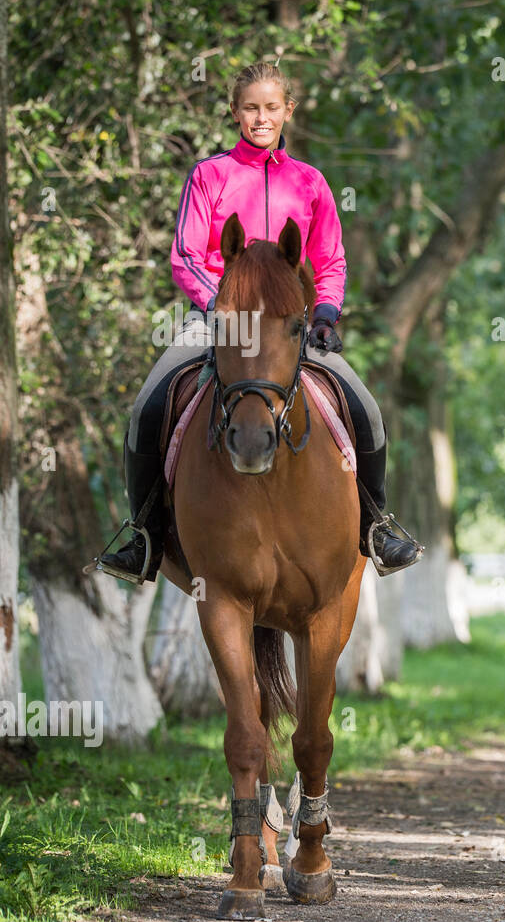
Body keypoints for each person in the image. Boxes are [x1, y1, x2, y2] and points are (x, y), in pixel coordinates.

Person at [97, 62, 422, 583]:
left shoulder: (310, 183)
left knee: (367, 410)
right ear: (235, 112)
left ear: (287, 111)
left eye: (272, 107)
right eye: (251, 107)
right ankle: (144, 536)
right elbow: (185, 255)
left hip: (290, 325)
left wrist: (325, 313)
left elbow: (330, 260)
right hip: (218, 318)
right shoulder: (209, 175)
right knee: (147, 408)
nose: (261, 117)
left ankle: (375, 525)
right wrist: (219, 309)